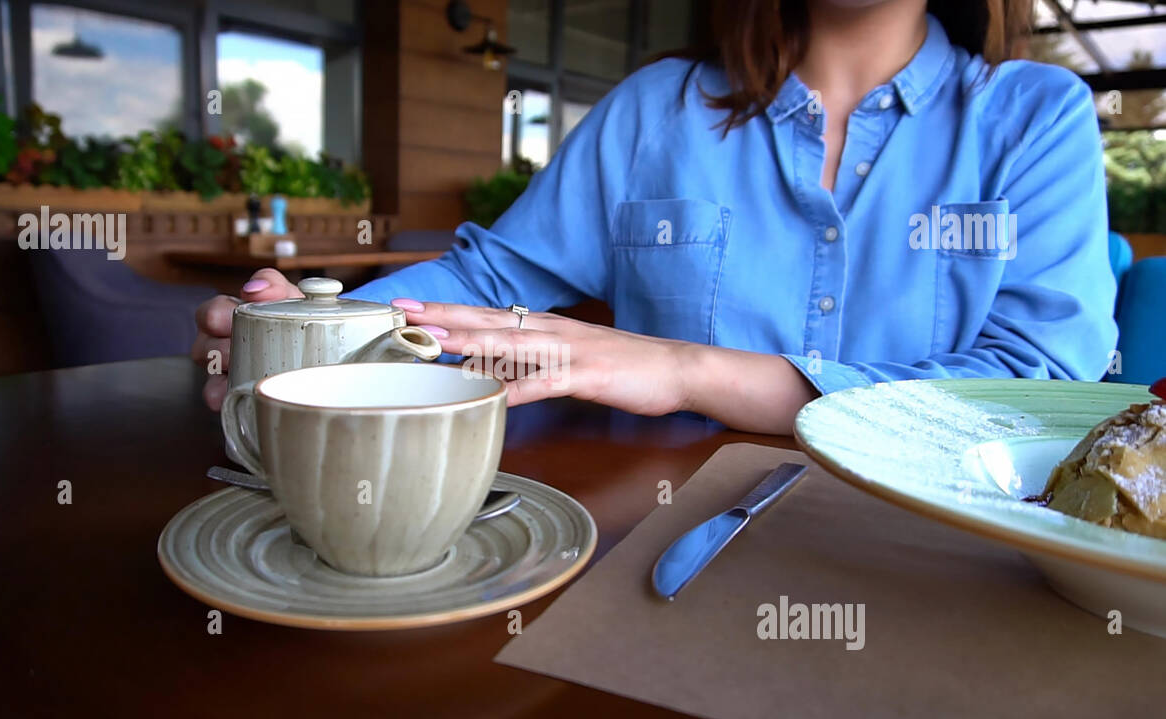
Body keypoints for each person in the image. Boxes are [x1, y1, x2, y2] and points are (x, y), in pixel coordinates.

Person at [193, 0, 1117, 435]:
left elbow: (1032, 393)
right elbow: (486, 283)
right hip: (646, 537)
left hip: (936, 559)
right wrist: (321, 332)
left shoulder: (1034, 117)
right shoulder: (655, 111)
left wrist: (684, 369)